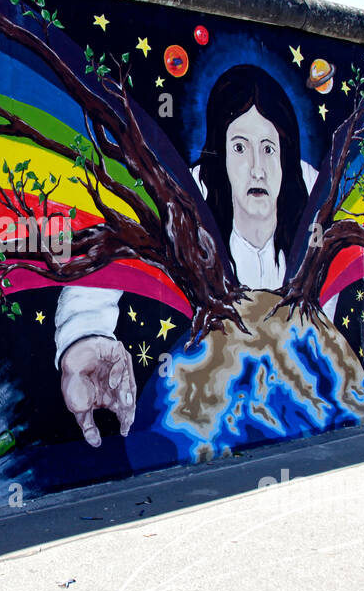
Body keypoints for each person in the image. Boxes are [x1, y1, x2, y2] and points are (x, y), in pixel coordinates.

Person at [54, 64, 314, 445]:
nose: (257, 168)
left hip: (301, 408)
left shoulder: (310, 191)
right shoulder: (183, 203)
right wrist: (84, 336)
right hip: (213, 418)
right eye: (240, 147)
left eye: (268, 148)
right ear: (220, 151)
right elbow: (110, 259)